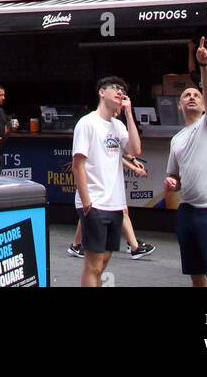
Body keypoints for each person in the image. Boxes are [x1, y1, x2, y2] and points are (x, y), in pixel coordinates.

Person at [165, 37, 207, 288]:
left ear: (205, 105)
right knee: (196, 275)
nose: (192, 97)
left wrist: (204, 66)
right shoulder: (177, 140)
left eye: (196, 94)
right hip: (187, 211)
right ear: (180, 105)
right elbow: (174, 177)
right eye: (186, 95)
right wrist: (172, 182)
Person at [72, 76, 142, 288]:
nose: (120, 92)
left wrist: (129, 113)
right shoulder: (87, 123)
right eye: (115, 89)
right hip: (94, 202)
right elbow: (78, 164)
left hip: (115, 203)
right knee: (93, 265)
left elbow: (135, 150)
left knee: (104, 261)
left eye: (123, 90)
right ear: (102, 92)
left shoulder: (118, 126)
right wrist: (86, 202)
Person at [67, 153, 156, 259]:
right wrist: (133, 166)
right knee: (89, 212)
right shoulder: (91, 142)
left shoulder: (110, 143)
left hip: (106, 181)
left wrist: (133, 162)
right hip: (93, 182)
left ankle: (133, 246)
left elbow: (118, 151)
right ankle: (134, 247)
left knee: (120, 210)